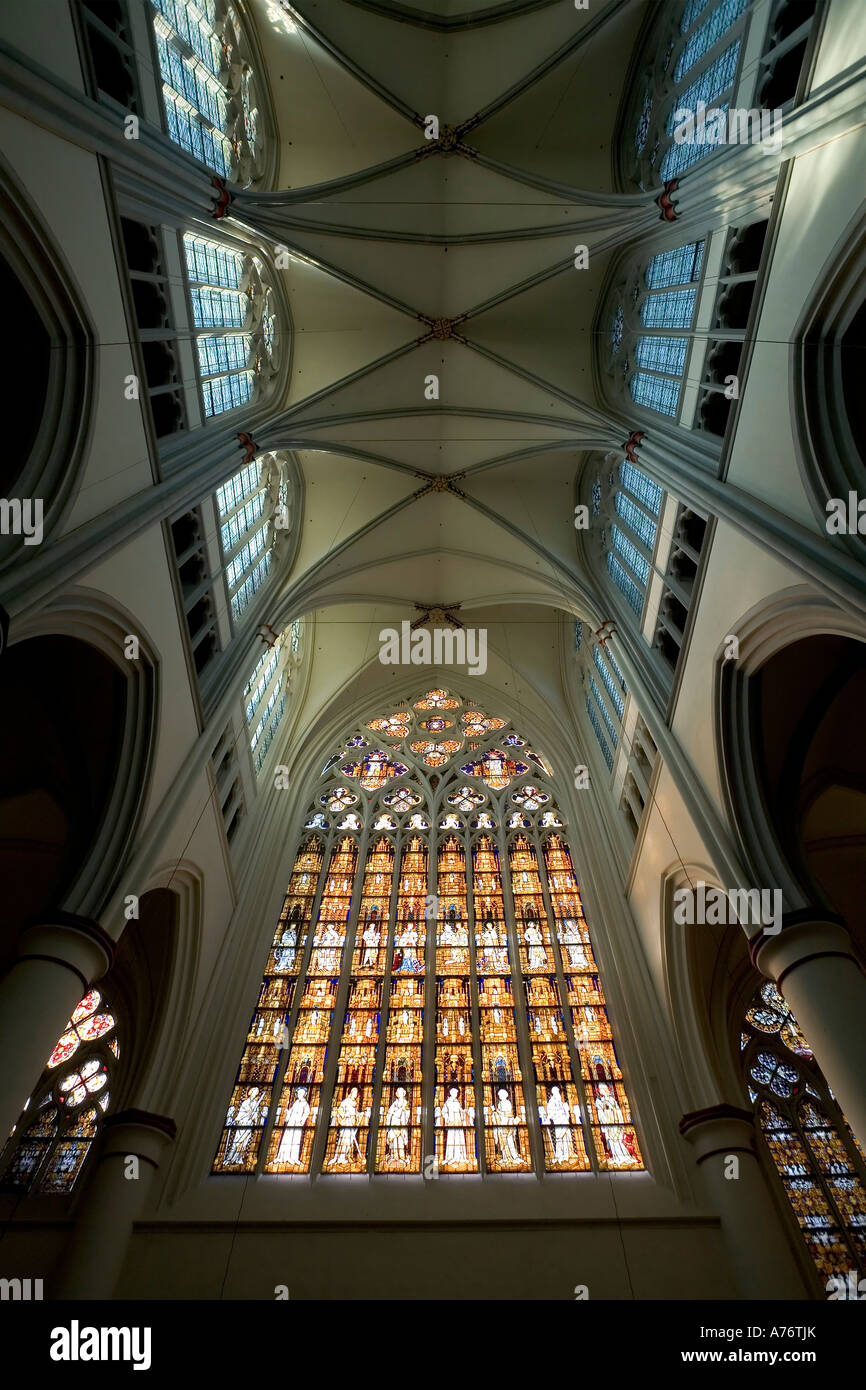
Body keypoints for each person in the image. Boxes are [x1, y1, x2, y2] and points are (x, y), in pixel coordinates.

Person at [224, 1088, 263, 1166]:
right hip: (243, 1123)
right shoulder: (245, 1102)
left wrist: (254, 1118)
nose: (255, 1093)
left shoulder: (256, 1103)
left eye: (257, 1092)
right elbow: (242, 1112)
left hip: (249, 1124)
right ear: (250, 1092)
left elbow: (256, 1114)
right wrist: (248, 1112)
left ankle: (238, 1158)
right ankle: (229, 1159)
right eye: (254, 1092)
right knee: (237, 1142)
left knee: (244, 1143)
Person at [274, 1087, 310, 1167]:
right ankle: (283, 1156)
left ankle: (293, 1157)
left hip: (297, 1123)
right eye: (299, 1093)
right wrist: (288, 1112)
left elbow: (306, 1113)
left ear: (304, 1094)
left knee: (295, 1139)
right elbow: (291, 1111)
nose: (300, 1094)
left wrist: (301, 1121)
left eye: (302, 1093)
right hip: (291, 1122)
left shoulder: (305, 1103)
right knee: (287, 1138)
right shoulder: (296, 1102)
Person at [330, 1087, 363, 1166]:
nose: (356, 1095)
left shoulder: (354, 1103)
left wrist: (360, 1114)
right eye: (355, 1093)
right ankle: (340, 1158)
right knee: (344, 1140)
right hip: (346, 1123)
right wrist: (345, 1115)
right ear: (351, 1092)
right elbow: (340, 1110)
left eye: (356, 1093)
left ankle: (346, 1156)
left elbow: (355, 1113)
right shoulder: (346, 1101)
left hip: (351, 1123)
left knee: (349, 1142)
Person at [545, 1085, 574, 1164]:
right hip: (558, 1121)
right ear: (553, 1093)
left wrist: (566, 1111)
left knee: (565, 1138)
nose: (557, 1093)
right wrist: (548, 1118)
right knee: (559, 1138)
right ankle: (559, 1156)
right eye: (555, 1092)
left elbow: (566, 1112)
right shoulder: (551, 1102)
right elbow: (550, 1112)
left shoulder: (561, 1102)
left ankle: (566, 1155)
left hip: (564, 1120)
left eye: (558, 1091)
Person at [492, 1089, 522, 1166]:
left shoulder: (508, 1103)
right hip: (501, 1123)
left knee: (510, 1141)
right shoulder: (499, 1103)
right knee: (503, 1141)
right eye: (499, 1095)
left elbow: (509, 1113)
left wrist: (499, 1112)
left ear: (506, 1095)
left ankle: (514, 1157)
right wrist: (495, 1113)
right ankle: (505, 1157)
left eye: (502, 1095)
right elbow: (499, 1113)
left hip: (508, 1123)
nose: (500, 1096)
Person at [384, 1087, 411, 1167]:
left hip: (401, 1123)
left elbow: (407, 1112)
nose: (399, 1094)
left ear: (404, 1093)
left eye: (401, 1092)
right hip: (394, 1123)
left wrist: (401, 1112)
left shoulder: (405, 1103)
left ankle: (401, 1157)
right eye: (398, 1092)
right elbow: (389, 1112)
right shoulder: (395, 1103)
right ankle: (394, 1156)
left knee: (400, 1141)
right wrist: (389, 1120)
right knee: (394, 1140)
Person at [441, 1087, 468, 1166]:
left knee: (459, 1138)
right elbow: (444, 1111)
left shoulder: (457, 1102)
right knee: (451, 1139)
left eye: (456, 1093)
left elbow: (460, 1111)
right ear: (450, 1093)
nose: (455, 1094)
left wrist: (464, 1111)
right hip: (452, 1122)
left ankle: (459, 1156)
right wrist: (447, 1117)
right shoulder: (447, 1102)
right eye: (453, 1092)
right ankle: (450, 1157)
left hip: (458, 1121)